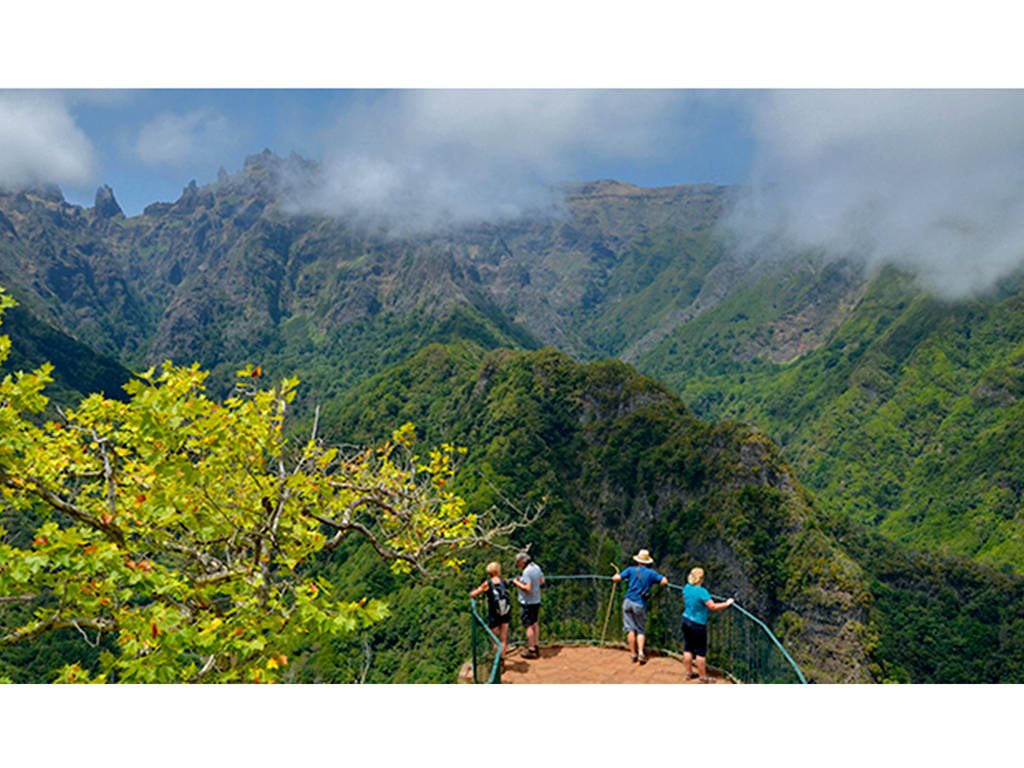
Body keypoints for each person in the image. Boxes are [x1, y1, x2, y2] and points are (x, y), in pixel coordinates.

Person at [612, 548, 669, 664]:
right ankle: (641, 653)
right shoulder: (651, 573)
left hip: (628, 601)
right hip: (640, 603)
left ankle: (633, 654)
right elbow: (664, 581)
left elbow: (617, 579)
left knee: (630, 629)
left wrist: (616, 575)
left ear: (638, 561)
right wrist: (652, 582)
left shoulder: (630, 570)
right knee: (640, 630)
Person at [681, 567, 734, 682]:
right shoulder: (702, 591)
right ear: (701, 579)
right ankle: (703, 677)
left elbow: (684, 599)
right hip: (698, 623)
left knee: (688, 648)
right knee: (700, 651)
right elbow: (713, 606)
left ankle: (689, 673)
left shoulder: (687, 587)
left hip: (685, 619)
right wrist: (727, 603)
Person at [469, 561, 512, 663]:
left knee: (494, 639)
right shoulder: (504, 581)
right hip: (505, 611)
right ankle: (502, 659)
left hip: (494, 614)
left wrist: (473, 592)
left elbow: (474, 594)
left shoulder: (488, 584)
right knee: (503, 638)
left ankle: (497, 661)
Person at [511, 551, 544, 659]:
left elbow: (528, 588)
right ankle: (536, 645)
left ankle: (531, 649)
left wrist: (517, 583)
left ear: (522, 562)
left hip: (527, 602)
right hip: (536, 599)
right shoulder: (536, 567)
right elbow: (542, 581)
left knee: (528, 625)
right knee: (535, 623)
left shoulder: (527, 571)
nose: (518, 565)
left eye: (518, 563)